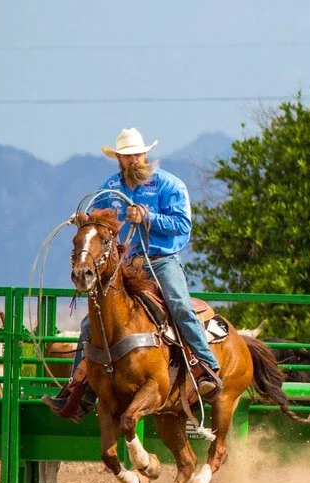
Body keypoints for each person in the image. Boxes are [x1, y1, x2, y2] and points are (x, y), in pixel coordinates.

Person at [44, 128, 220, 421]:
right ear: (119, 159)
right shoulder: (110, 187)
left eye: (136, 154)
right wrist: (84, 220)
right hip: (125, 263)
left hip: (161, 260)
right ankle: (77, 389)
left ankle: (206, 367)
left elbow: (183, 226)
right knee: (93, 321)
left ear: (145, 154)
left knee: (179, 305)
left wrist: (148, 217)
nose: (132, 160)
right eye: (126, 156)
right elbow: (98, 221)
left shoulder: (168, 185)